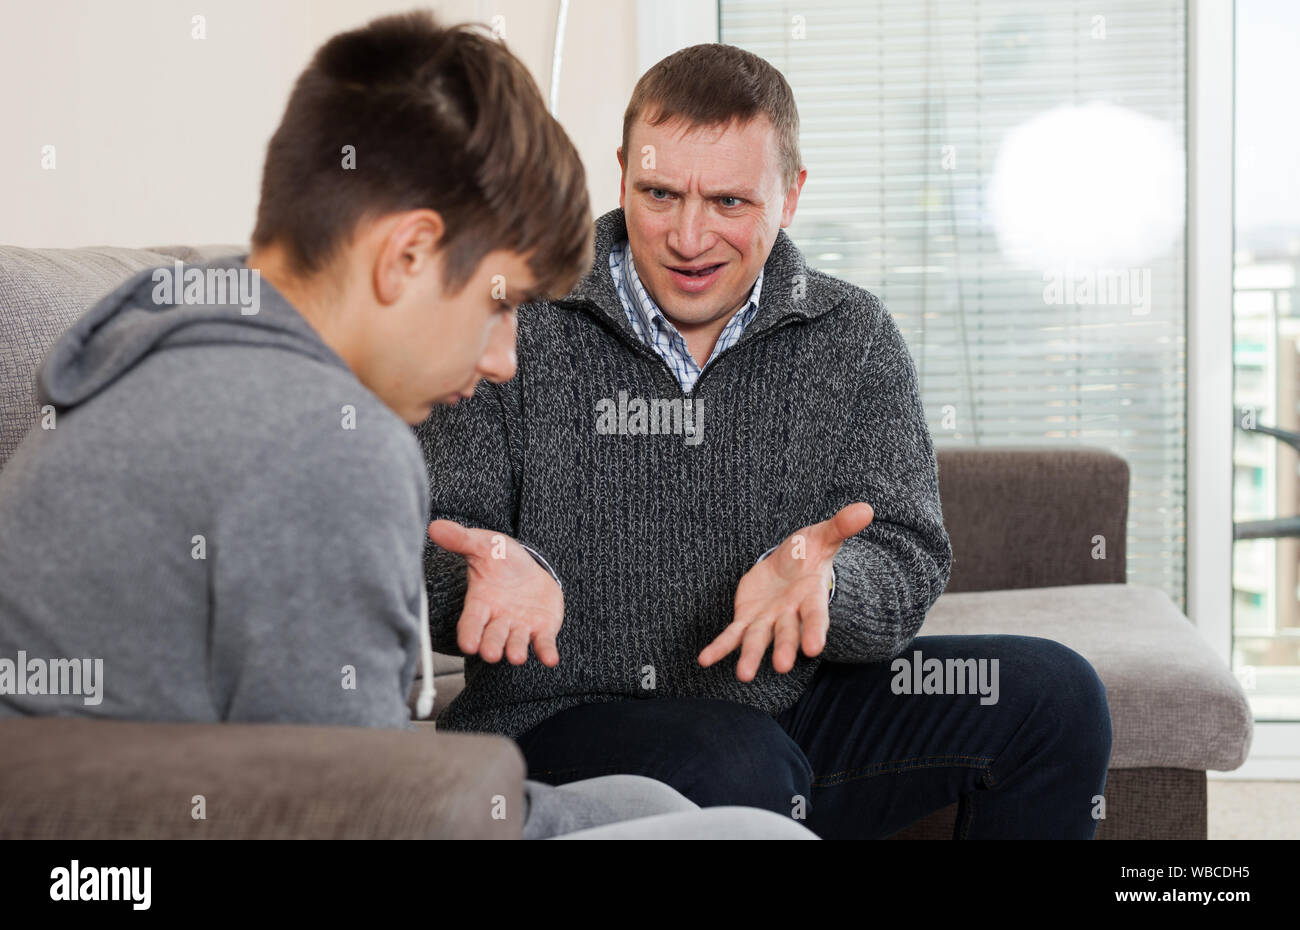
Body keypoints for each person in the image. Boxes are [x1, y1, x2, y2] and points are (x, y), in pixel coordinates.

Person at [0, 11, 815, 840]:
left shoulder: (154, 343)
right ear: (408, 256)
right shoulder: (324, 438)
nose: (504, 359)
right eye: (500, 306)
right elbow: (361, 817)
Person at [420, 42, 1113, 839]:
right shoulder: (519, 321)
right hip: (558, 722)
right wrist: (491, 578)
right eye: (659, 193)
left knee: (1055, 695)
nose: (687, 236)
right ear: (621, 174)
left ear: (791, 194)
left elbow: (908, 555)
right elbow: (428, 552)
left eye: (728, 203)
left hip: (786, 705)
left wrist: (830, 590)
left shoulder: (853, 335)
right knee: (742, 763)